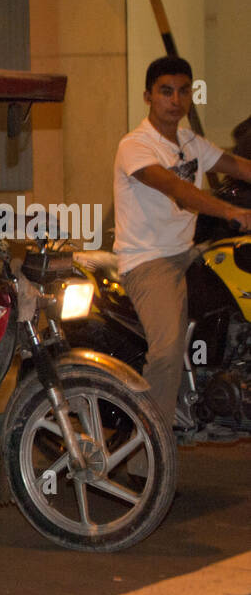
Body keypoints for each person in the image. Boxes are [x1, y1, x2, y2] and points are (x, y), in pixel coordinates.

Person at [112, 56, 251, 429]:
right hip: (148, 262)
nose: (176, 100)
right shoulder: (135, 145)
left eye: (184, 91)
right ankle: (151, 456)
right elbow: (179, 191)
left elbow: (238, 166)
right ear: (148, 96)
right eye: (166, 91)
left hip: (187, 254)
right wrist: (231, 212)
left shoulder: (189, 141)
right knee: (166, 353)